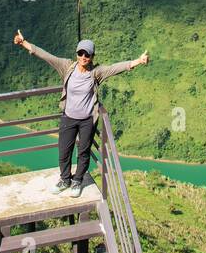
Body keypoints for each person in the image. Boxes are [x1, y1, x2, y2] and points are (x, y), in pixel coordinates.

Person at [14, 30, 148, 196]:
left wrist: (139, 61)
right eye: (80, 53)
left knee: (83, 152)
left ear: (92, 56)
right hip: (68, 118)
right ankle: (65, 179)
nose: (83, 57)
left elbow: (116, 68)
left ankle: (77, 181)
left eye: (87, 54)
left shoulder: (96, 73)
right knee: (64, 150)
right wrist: (24, 43)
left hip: (87, 121)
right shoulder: (66, 66)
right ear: (76, 53)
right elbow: (45, 55)